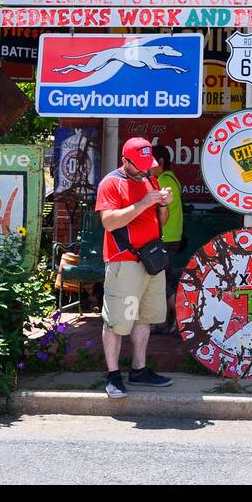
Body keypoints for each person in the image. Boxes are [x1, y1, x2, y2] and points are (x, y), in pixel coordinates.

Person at [95, 137, 175, 398]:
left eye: (147, 166)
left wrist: (163, 205)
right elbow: (108, 223)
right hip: (124, 261)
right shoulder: (111, 183)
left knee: (145, 316)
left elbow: (162, 219)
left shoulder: (150, 179)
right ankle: (113, 375)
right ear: (124, 161)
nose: (145, 171)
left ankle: (139, 369)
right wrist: (143, 203)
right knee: (118, 320)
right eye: (139, 166)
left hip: (150, 260)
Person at [152, 144, 186, 336]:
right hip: (171, 237)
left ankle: (177, 318)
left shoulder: (164, 182)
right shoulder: (170, 179)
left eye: (151, 162)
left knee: (160, 281)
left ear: (161, 161)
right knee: (164, 279)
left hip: (164, 237)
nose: (147, 166)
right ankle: (164, 322)